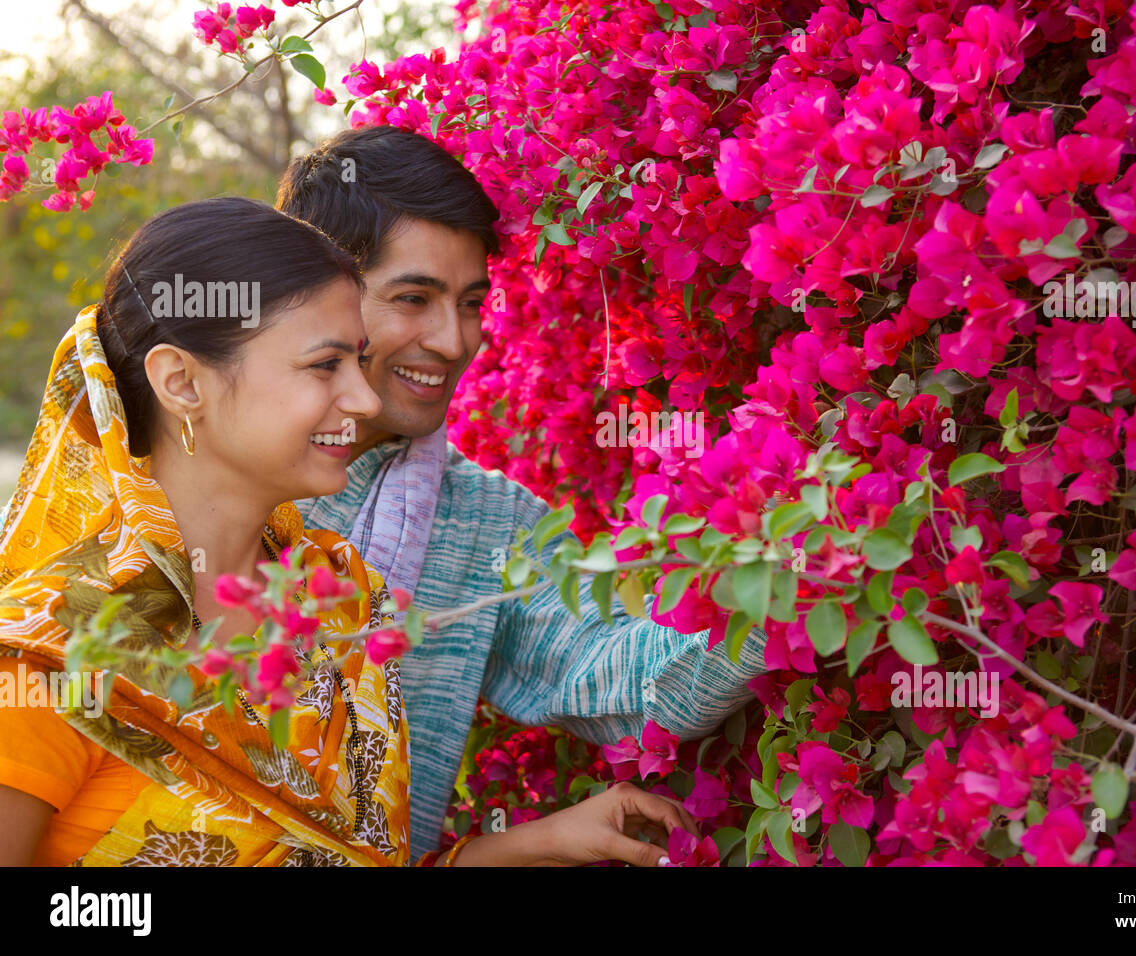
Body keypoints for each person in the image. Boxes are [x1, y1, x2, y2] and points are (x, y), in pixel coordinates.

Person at [0, 197, 696, 867]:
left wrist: (530, 846)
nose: (364, 399)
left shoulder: (339, 607)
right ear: (182, 382)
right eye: (323, 365)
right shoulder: (48, 659)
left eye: (357, 360)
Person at [278, 126, 770, 864]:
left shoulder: (492, 522)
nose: (453, 341)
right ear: (317, 299)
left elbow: (624, 680)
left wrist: (794, 575)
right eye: (414, 298)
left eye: (471, 303)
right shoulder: (217, 471)